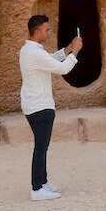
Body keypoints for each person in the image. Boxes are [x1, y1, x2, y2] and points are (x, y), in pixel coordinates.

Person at [18, 15, 81, 201]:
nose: (49, 32)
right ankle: (37, 189)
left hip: (35, 105)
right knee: (40, 148)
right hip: (40, 107)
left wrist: (68, 49)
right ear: (37, 31)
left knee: (42, 147)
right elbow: (62, 69)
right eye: (46, 29)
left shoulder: (30, 50)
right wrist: (75, 52)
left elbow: (50, 59)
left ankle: (42, 182)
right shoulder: (34, 53)